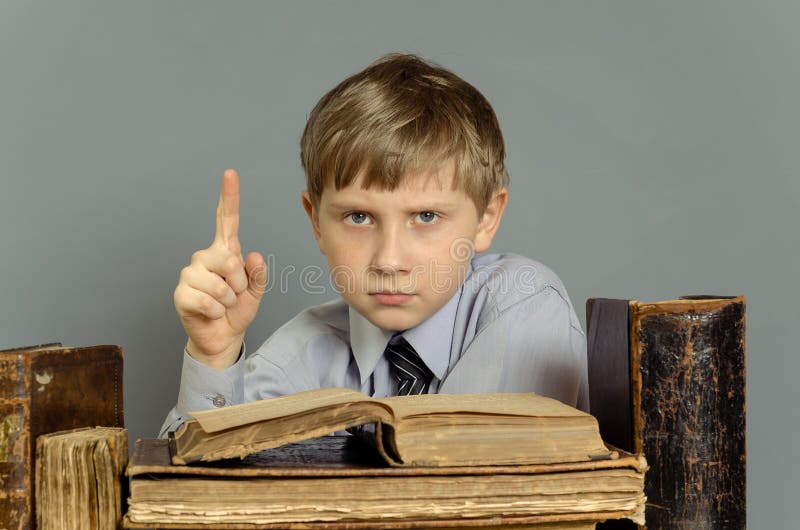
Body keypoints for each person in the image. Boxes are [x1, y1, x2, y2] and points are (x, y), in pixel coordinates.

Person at [160, 53, 588, 437]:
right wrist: (213, 357)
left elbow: (469, 475)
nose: (389, 260)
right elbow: (188, 490)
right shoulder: (302, 354)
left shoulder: (523, 302)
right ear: (316, 221)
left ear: (486, 218)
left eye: (426, 217)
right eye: (359, 217)